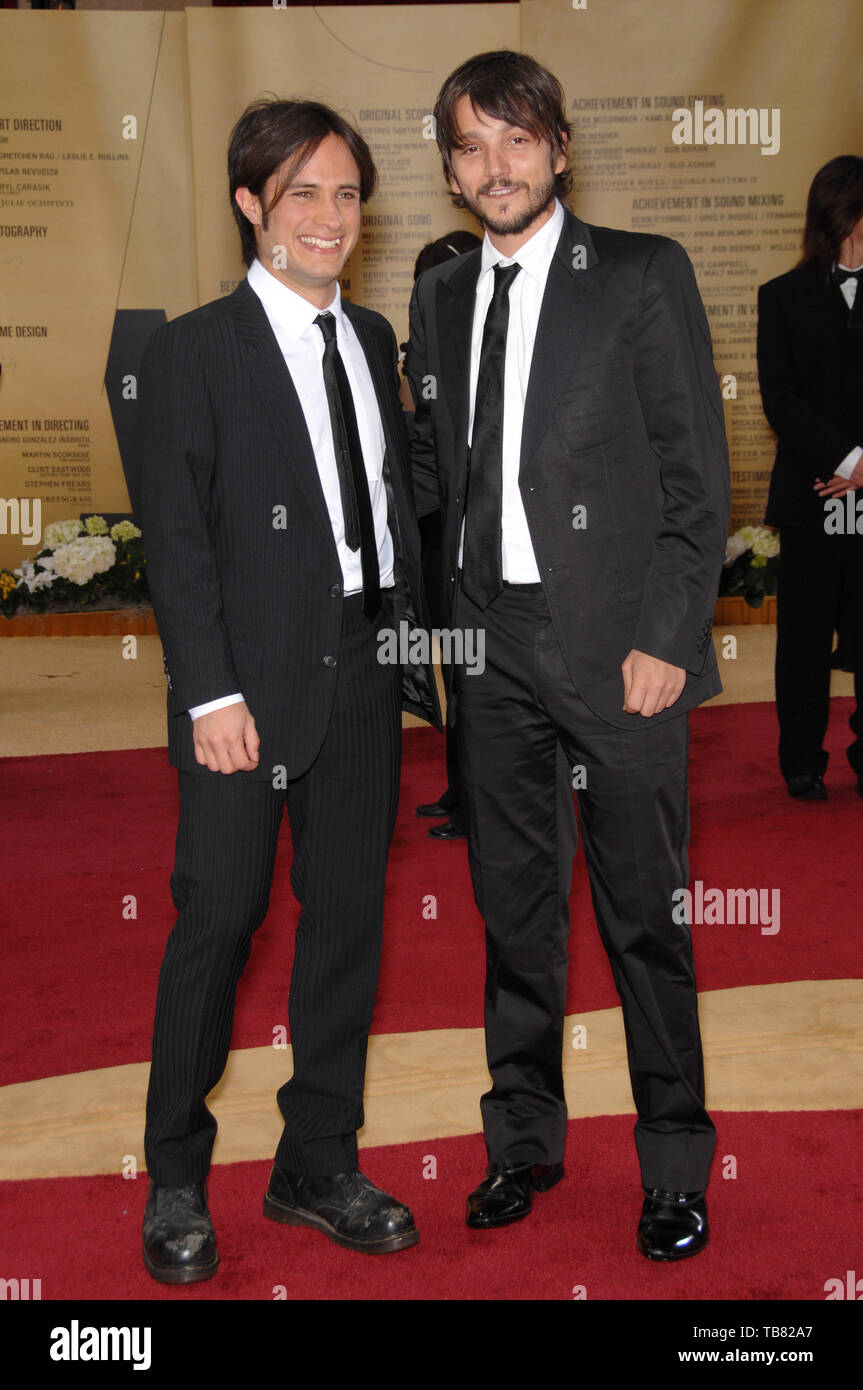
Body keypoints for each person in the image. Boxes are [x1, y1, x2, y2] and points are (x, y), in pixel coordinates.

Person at [407, 50, 729, 1260]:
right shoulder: (440, 294)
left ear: (559, 147)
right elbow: (440, 473)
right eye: (469, 146)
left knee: (645, 918)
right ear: (447, 167)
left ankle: (673, 1166)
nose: (495, 166)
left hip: (617, 654)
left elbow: (699, 479)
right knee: (512, 911)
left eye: (515, 139)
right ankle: (523, 1144)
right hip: (487, 648)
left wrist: (665, 640)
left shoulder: (642, 275)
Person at [127, 97, 439, 1284]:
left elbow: (381, 503)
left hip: (359, 676)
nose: (327, 216)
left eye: (346, 193)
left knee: (348, 924)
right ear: (250, 203)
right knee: (217, 925)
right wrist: (208, 695)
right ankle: (172, 1175)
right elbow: (180, 540)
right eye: (300, 192)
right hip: (240, 695)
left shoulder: (365, 341)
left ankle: (317, 1159)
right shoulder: (191, 351)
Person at [757, 155, 863, 800]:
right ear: (840, 211)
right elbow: (782, 400)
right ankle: (801, 759)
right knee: (802, 639)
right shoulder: (783, 296)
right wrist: (849, 463)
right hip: (813, 497)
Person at [401, 231, 482, 840]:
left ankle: (478, 801)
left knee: (472, 672)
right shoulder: (415, 356)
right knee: (454, 668)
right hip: (429, 526)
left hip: (468, 530)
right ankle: (461, 791)